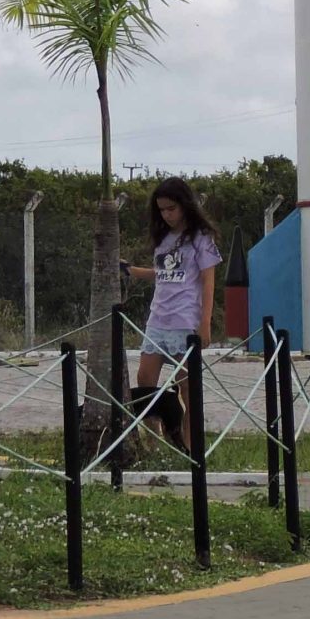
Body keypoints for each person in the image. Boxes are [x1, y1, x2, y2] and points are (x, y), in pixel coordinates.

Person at [124, 177, 221, 452]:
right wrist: (131, 271)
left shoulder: (201, 237)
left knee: (188, 388)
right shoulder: (163, 237)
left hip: (185, 319)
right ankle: (155, 442)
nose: (166, 215)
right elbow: (164, 273)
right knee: (145, 381)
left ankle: (191, 447)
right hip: (158, 318)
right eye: (162, 210)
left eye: (171, 209)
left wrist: (205, 323)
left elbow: (208, 280)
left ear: (184, 205)